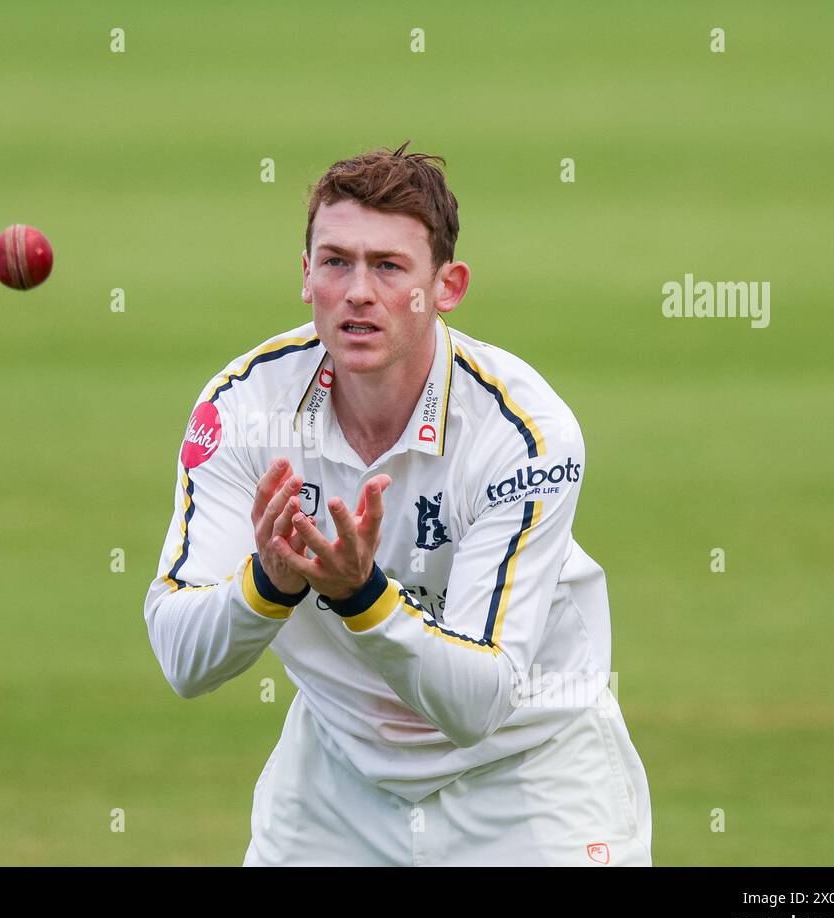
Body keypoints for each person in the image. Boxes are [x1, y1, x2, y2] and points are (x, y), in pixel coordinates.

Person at [143, 141, 652, 866]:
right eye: (335, 261)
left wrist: (361, 596)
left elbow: (478, 704)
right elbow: (182, 660)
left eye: (388, 267)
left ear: (448, 286)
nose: (357, 291)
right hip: (336, 781)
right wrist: (268, 585)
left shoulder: (525, 432)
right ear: (305, 275)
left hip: (531, 775)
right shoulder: (241, 407)